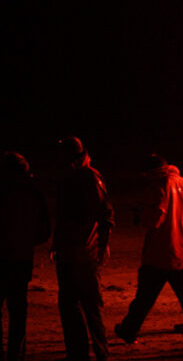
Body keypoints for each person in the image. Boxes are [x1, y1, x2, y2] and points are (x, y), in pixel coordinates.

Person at [114, 155, 183, 349]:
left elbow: (156, 218)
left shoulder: (158, 185)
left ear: (150, 172)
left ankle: (129, 330)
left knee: (145, 297)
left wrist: (140, 217)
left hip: (161, 250)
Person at [52, 137, 114, 361]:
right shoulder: (69, 178)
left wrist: (102, 245)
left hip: (85, 252)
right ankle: (78, 353)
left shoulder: (88, 177)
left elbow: (105, 214)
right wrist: (57, 243)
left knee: (89, 305)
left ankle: (100, 351)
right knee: (70, 306)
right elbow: (64, 216)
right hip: (70, 252)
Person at [0, 152, 51, 361]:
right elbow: (44, 230)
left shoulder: (3, 192)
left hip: (3, 257)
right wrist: (26, 241)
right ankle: (16, 353)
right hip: (21, 258)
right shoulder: (33, 194)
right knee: (18, 308)